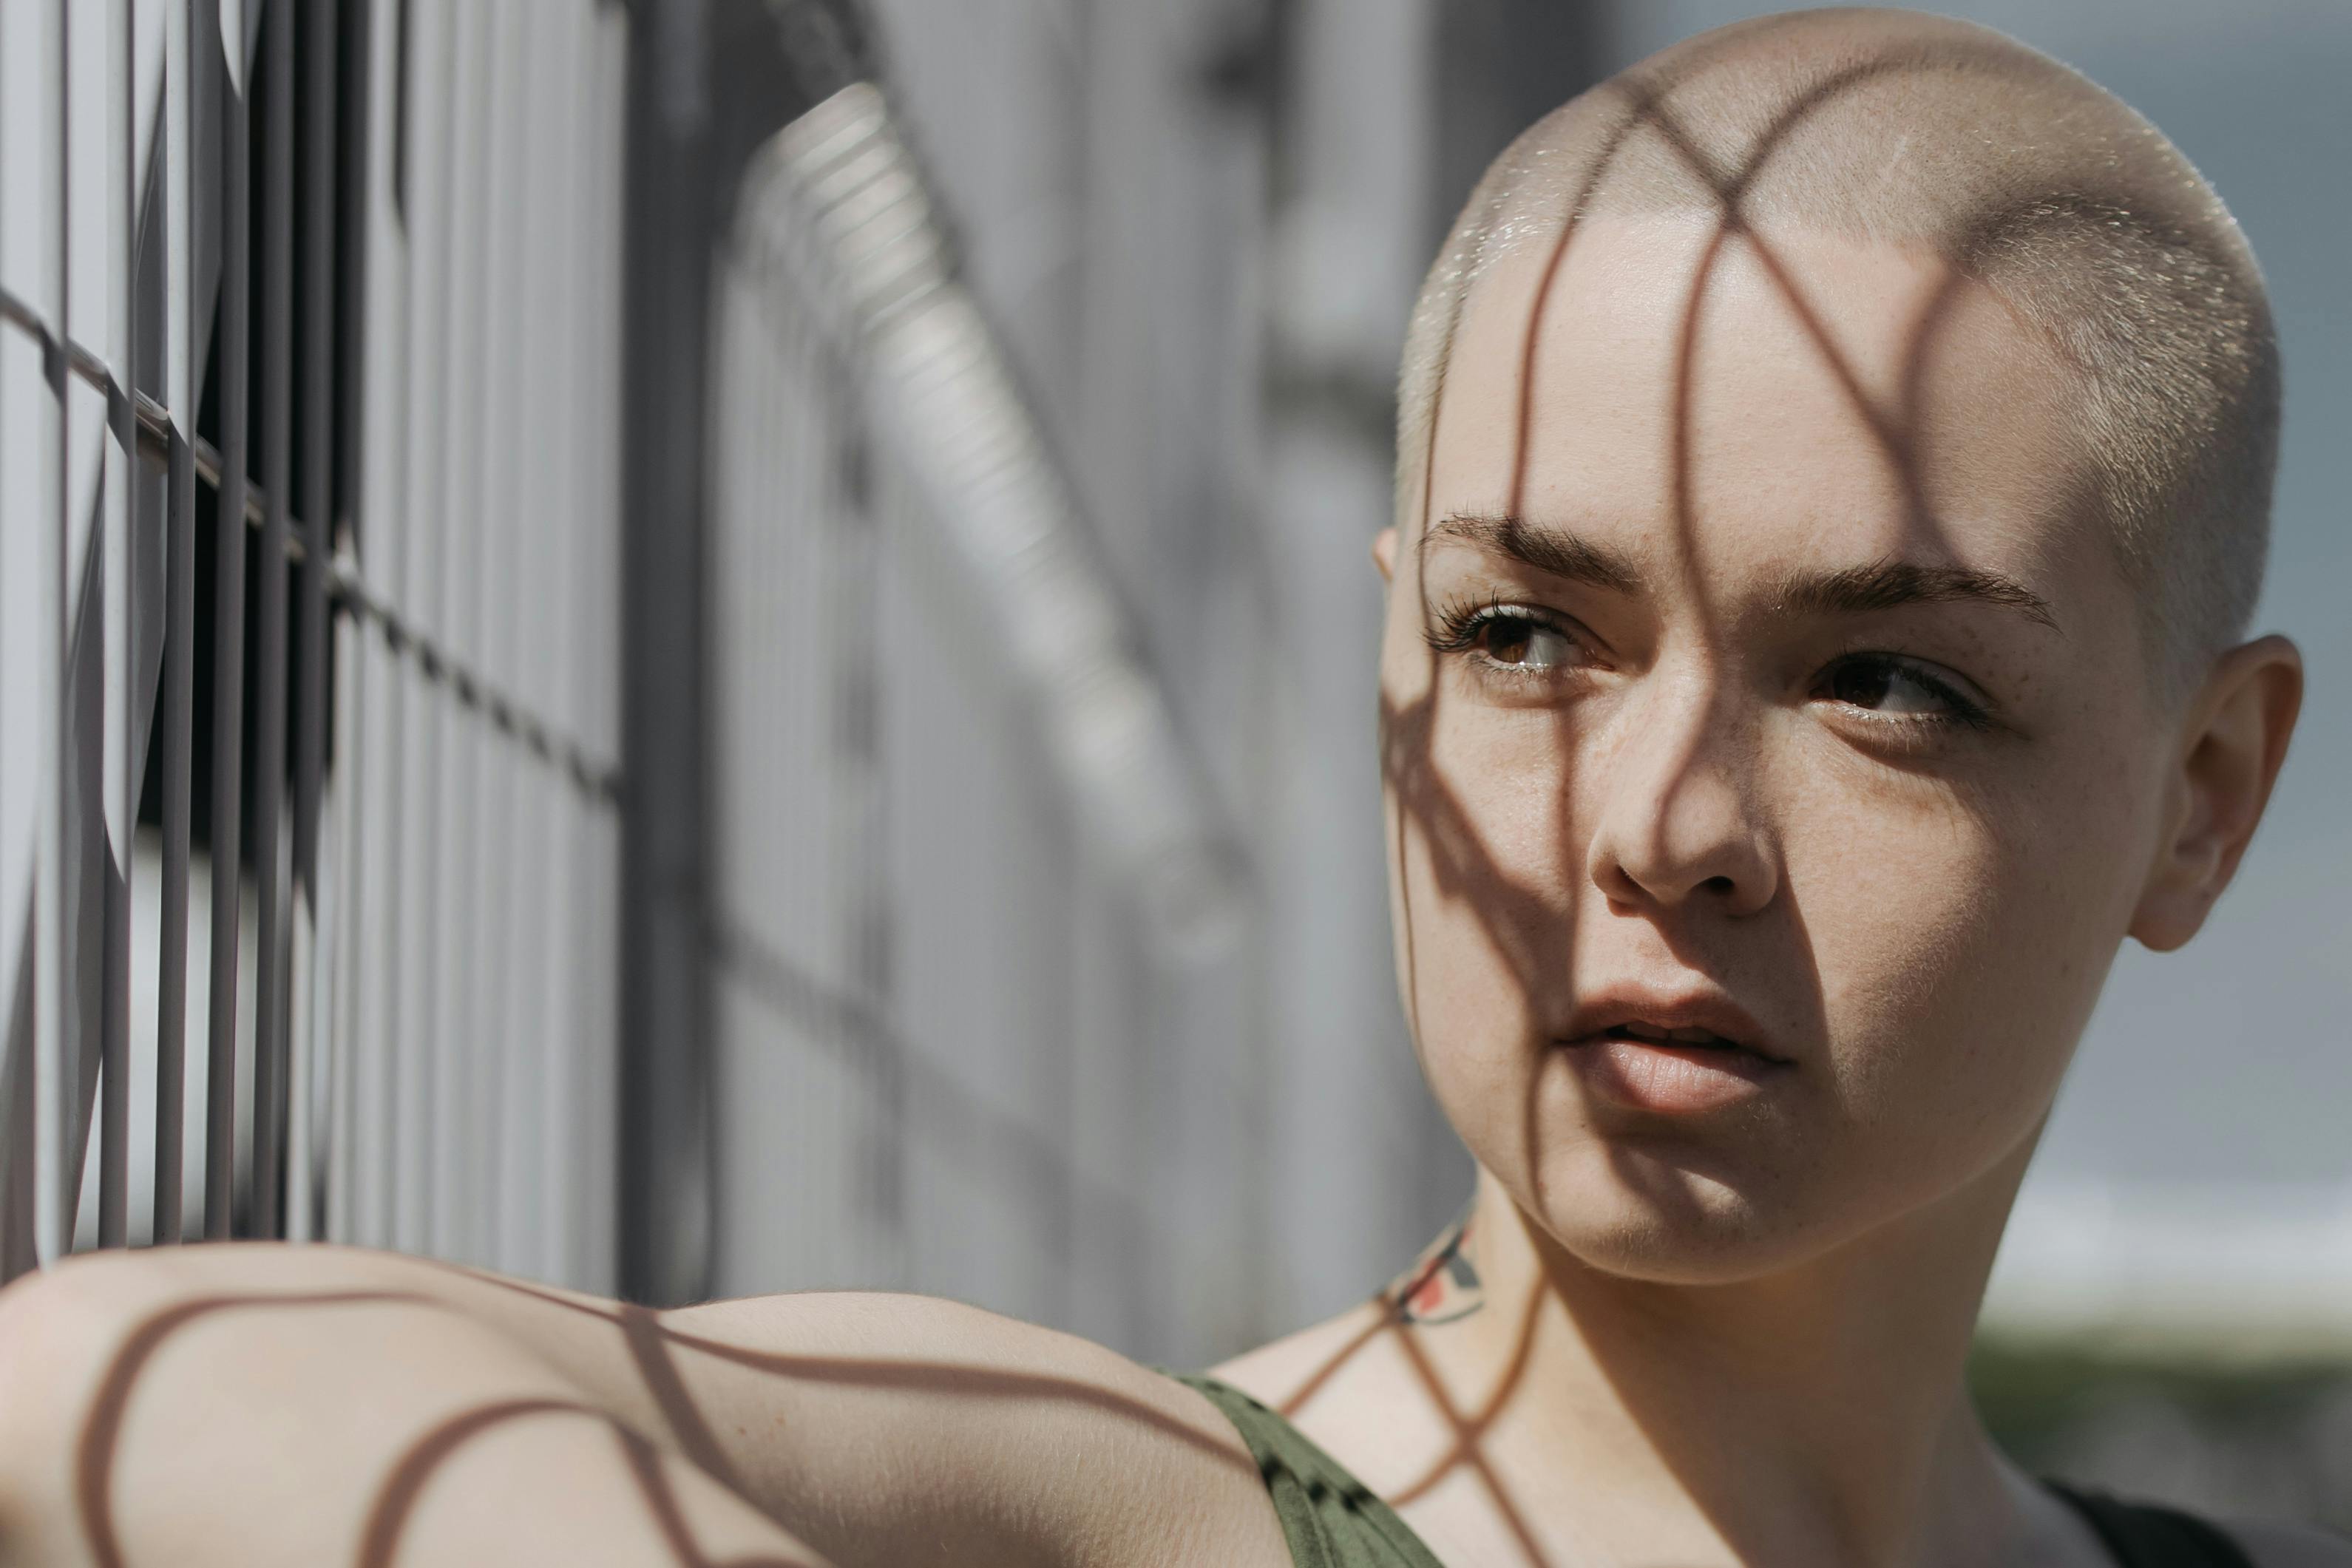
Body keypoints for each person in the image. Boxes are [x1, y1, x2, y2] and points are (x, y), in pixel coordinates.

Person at [0, 9, 2341, 1567]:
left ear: (2204, 795)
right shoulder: (1163, 1512)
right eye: (1524, 631)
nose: (1660, 823)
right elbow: (106, 1367)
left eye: (1886, 679)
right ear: (1392, 671)